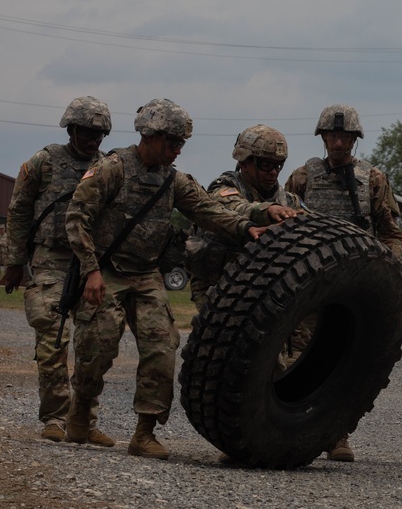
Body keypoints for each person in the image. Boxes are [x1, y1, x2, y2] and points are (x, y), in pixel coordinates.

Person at [64, 98, 268, 461]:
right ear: (149, 135)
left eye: (181, 144)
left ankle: (144, 433)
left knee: (162, 349)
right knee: (97, 346)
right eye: (172, 142)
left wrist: (246, 227)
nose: (177, 150)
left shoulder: (174, 181)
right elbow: (77, 217)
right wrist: (91, 270)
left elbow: (208, 211)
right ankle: (80, 414)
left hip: (146, 276)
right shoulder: (113, 169)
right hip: (107, 271)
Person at [285, 104, 402, 462]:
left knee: (341, 363)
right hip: (308, 283)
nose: (338, 142)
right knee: (296, 358)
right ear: (323, 138)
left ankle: (338, 435)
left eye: (345, 136)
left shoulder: (373, 179)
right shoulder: (303, 177)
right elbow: (283, 221)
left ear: (355, 139)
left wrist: (388, 272)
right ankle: (291, 432)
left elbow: (391, 233)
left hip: (352, 288)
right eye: (332, 136)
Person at [3, 96, 116, 444]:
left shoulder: (110, 167)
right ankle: (54, 415)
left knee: (95, 340)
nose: (92, 139)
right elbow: (19, 211)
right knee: (52, 336)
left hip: (91, 263)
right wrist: (14, 262)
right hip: (49, 258)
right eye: (86, 132)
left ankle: (83, 418)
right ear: (71, 129)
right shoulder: (44, 162)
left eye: (98, 133)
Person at [186, 124, 302, 315]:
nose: (273, 172)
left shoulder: (288, 201)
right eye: (266, 165)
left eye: (278, 165)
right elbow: (232, 207)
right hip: (218, 282)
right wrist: (267, 210)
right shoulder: (223, 187)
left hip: (264, 285)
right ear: (244, 162)